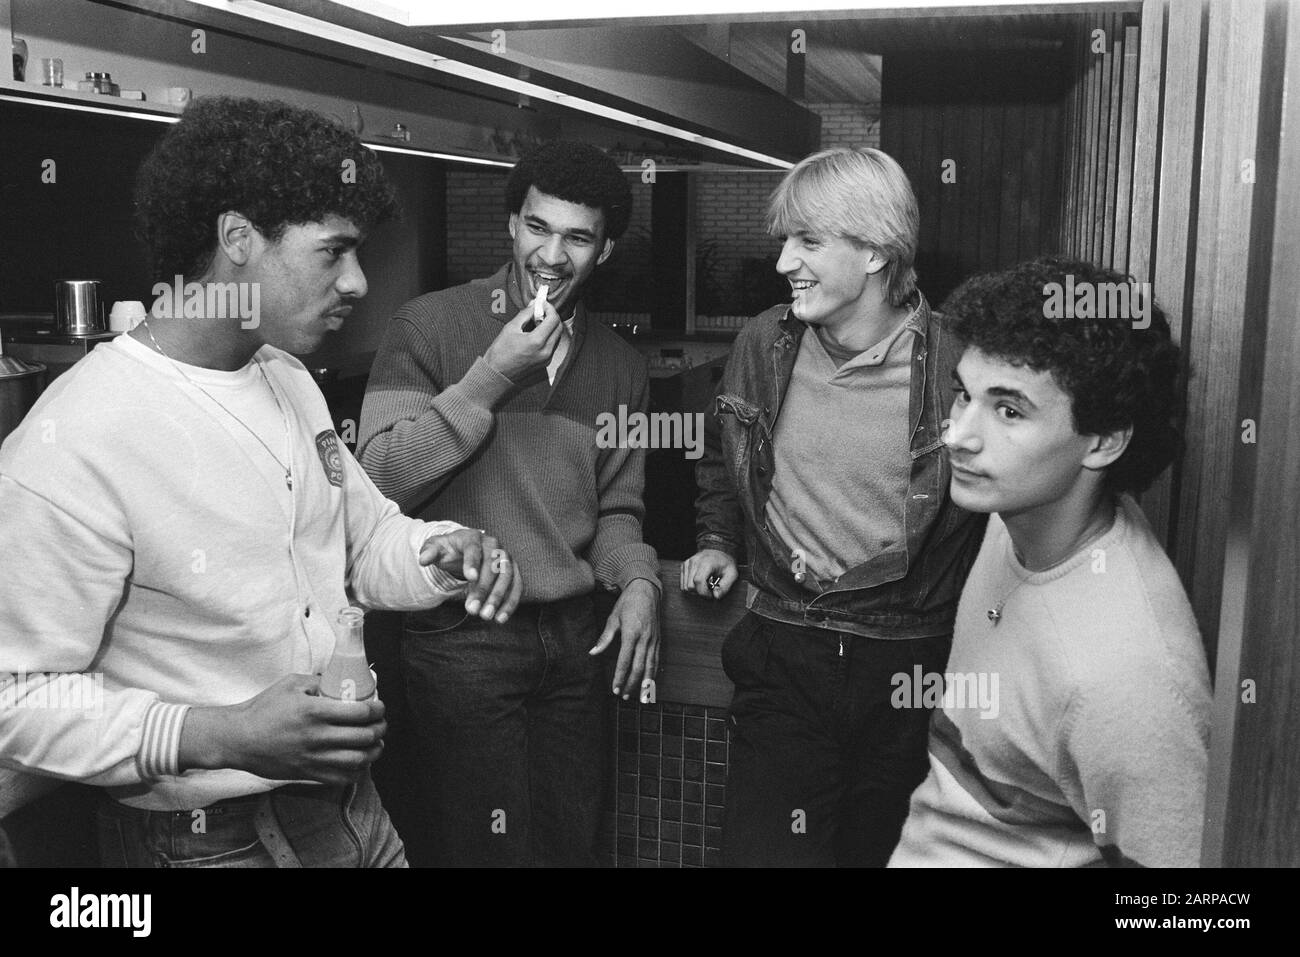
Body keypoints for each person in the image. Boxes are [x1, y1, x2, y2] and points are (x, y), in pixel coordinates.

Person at [0, 96, 521, 868]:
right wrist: (221, 731)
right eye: (333, 251)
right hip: (203, 843)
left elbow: (362, 539)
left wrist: (439, 553)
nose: (357, 283)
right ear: (237, 238)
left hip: (351, 813)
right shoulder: (78, 434)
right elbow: (16, 699)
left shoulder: (286, 377)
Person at [357, 140, 660, 866]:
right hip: (460, 636)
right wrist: (492, 377)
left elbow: (618, 511)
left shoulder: (621, 365)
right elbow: (380, 480)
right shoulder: (425, 327)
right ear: (510, 226)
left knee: (570, 846)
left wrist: (642, 579)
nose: (552, 254)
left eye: (578, 237)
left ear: (605, 248)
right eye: (537, 227)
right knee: (483, 851)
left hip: (575, 642)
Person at [681, 147, 986, 866]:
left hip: (907, 665)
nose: (785, 261)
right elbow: (722, 457)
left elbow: (1000, 508)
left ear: (878, 252)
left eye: (809, 241)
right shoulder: (764, 341)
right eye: (785, 240)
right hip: (785, 647)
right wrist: (718, 537)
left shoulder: (957, 363)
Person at [889, 256, 1211, 868]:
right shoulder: (1022, 514)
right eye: (964, 396)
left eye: (1009, 411)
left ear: (1105, 440)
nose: (958, 435)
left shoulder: (1129, 683)